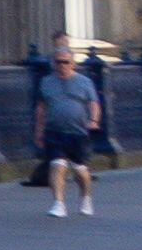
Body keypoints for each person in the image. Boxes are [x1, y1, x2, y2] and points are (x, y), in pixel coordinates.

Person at [38, 42, 112, 218]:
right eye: (58, 62)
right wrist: (39, 131)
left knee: (80, 170)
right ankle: (59, 203)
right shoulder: (47, 82)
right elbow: (41, 107)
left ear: (73, 64)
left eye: (65, 62)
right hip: (54, 131)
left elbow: (94, 103)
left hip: (77, 132)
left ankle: (86, 198)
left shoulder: (84, 82)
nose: (61, 66)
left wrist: (94, 120)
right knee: (57, 165)